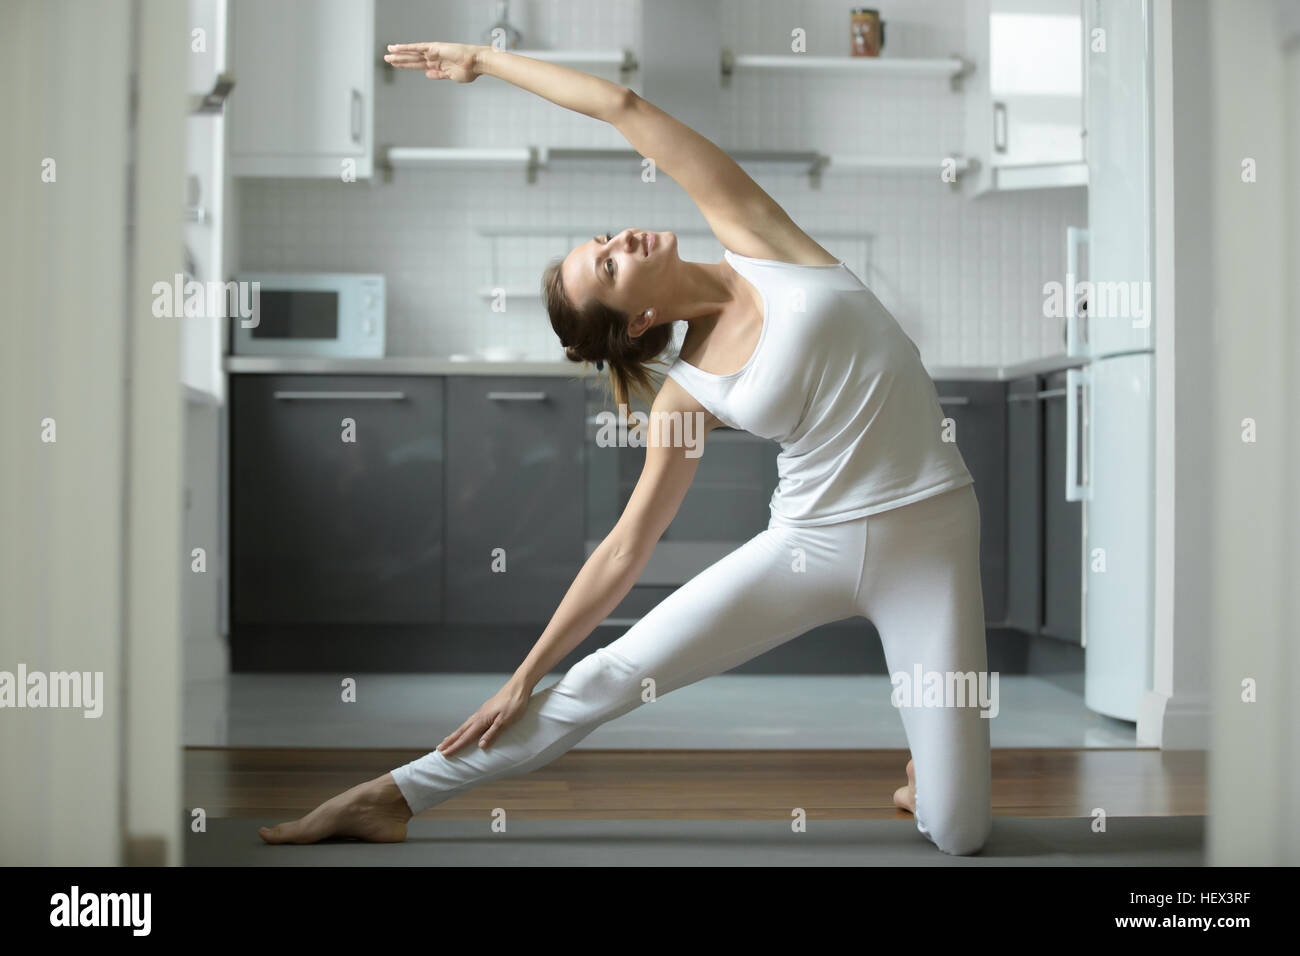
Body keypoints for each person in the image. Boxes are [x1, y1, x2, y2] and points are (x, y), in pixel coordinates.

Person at [259, 41, 993, 856]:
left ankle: (926, 776)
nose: (621, 243)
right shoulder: (686, 397)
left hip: (932, 533)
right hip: (808, 547)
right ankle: (391, 794)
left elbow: (625, 110)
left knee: (960, 834)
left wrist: (485, 61)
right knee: (606, 679)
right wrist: (526, 670)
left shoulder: (754, 234)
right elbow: (626, 545)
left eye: (602, 242)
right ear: (636, 322)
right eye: (608, 268)